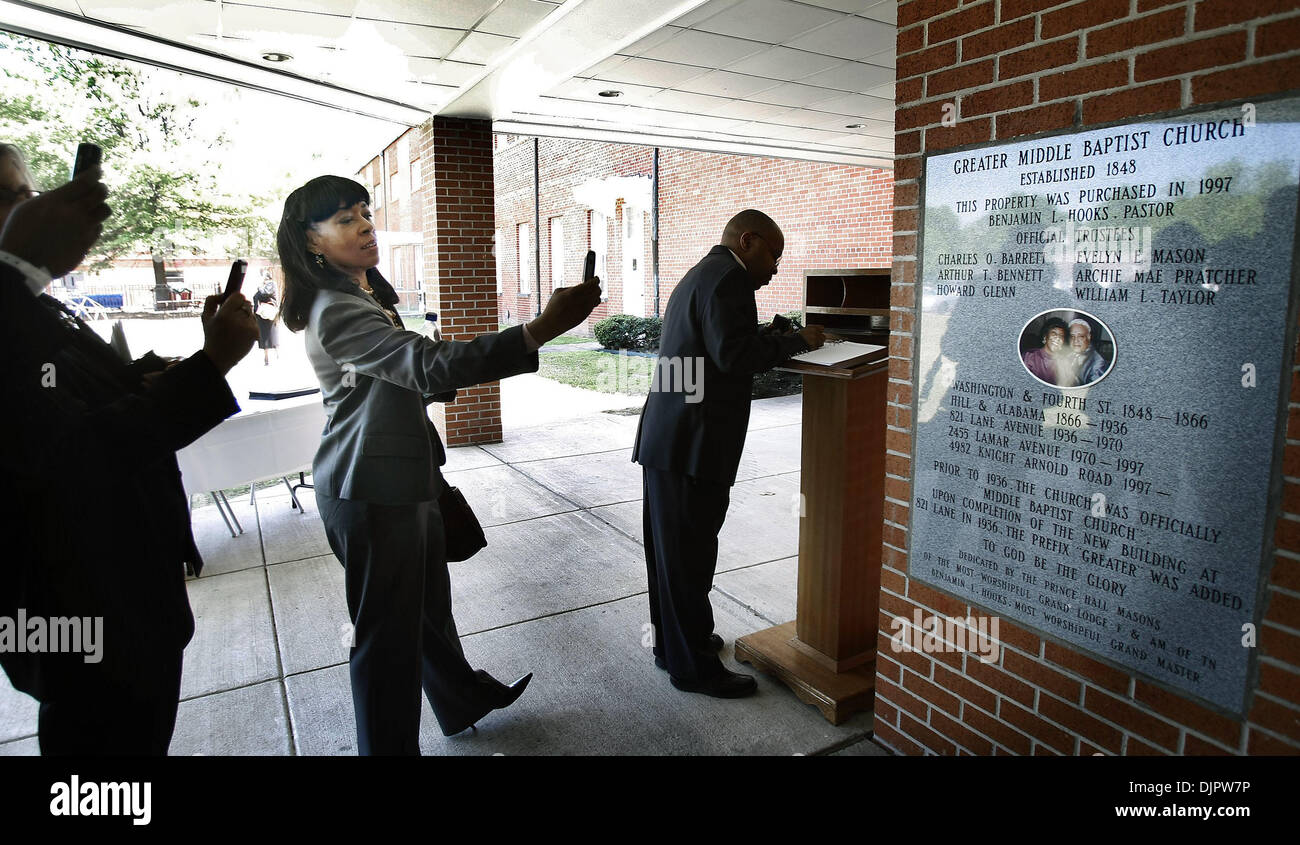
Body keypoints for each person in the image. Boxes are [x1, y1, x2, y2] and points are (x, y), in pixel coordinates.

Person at [277, 175, 600, 754]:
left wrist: (429, 382)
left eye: (365, 211)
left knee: (428, 613)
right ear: (311, 243)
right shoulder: (336, 310)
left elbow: (400, 380)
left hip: (404, 479)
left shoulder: (365, 297)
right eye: (345, 219)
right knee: (386, 642)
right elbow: (422, 365)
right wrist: (542, 327)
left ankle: (462, 699)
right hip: (370, 491)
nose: (365, 225)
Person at [0, 143, 259, 755]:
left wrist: (181, 364)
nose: (29, 208)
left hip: (124, 609)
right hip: (79, 626)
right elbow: (76, 456)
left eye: (26, 193)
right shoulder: (14, 306)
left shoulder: (34, 310)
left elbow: (72, 398)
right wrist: (211, 368)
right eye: (9, 197)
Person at [632, 209, 824, 698]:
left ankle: (674, 644)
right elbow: (733, 358)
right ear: (749, 240)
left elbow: (713, 349)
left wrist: (770, 338)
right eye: (774, 255)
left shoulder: (702, 274)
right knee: (689, 556)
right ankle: (693, 668)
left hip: (671, 436)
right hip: (692, 442)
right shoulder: (729, 280)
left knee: (672, 555)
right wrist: (796, 341)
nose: (776, 268)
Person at [1022, 317, 1069, 385]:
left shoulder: (1065, 361)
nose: (1058, 338)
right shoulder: (1029, 356)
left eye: (1061, 336)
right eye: (1054, 333)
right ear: (1045, 337)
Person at [1067, 317, 1109, 385]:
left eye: (1081, 336)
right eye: (1072, 336)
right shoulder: (1067, 355)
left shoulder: (1098, 363)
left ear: (1089, 337)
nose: (1075, 340)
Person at [252, 270, 279, 365]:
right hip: (262, 314)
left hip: (270, 314)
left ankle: (277, 355)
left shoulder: (271, 284)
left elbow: (264, 293)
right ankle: (266, 358)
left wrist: (260, 286)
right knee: (264, 337)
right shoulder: (262, 286)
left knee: (273, 336)